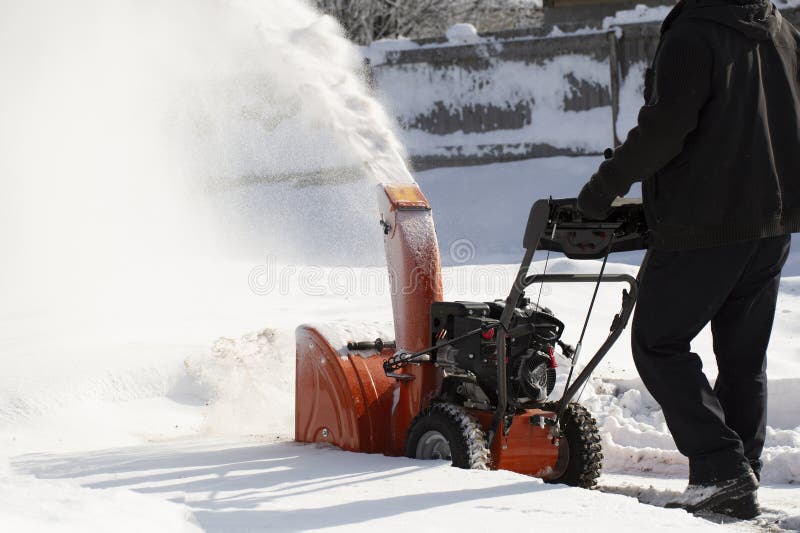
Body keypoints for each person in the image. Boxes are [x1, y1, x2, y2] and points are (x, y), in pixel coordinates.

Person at [577, 0, 799, 519]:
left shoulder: (695, 34)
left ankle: (722, 469)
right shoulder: (782, 32)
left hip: (703, 224)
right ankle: (739, 472)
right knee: (744, 356)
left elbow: (666, 127)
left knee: (658, 343)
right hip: (771, 223)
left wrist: (603, 187)